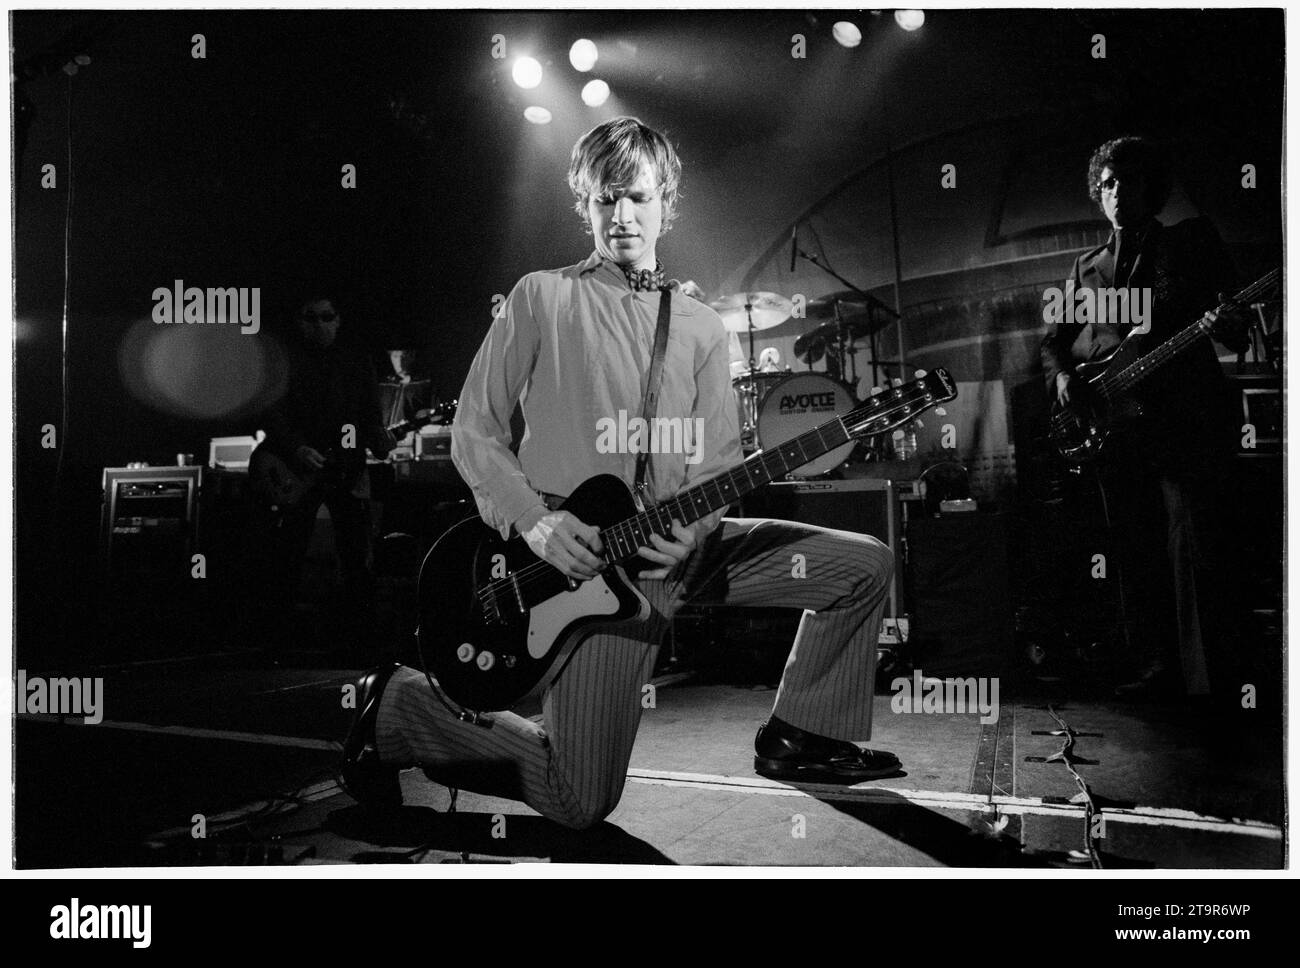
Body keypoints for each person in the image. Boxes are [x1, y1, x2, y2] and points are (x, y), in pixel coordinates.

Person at [340, 117, 897, 829]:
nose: (622, 216)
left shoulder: (700, 325)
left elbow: (720, 456)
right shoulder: (541, 297)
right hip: (584, 568)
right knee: (578, 799)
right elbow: (476, 430)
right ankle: (401, 707)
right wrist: (535, 524)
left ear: (666, 200)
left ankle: (802, 734)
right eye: (605, 200)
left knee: (862, 567)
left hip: (682, 548)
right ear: (586, 205)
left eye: (636, 197)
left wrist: (696, 529)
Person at [1040, 136, 1250, 701]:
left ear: (1150, 188)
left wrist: (1226, 322)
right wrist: (1063, 377)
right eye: (1106, 183)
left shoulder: (1189, 242)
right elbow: (1052, 343)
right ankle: (1156, 667)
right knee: (1135, 547)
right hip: (1118, 424)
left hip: (1187, 416)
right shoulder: (1086, 268)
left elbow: (1235, 327)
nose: (1115, 193)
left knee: (1195, 546)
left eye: (1127, 181)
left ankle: (1211, 682)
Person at [256, 294, 395, 649]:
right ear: (298, 321)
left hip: (345, 472)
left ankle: (359, 642)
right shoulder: (284, 361)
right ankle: (278, 638)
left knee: (355, 557)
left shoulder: (356, 361)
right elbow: (271, 414)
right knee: (289, 554)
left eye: (326, 317)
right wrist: (297, 449)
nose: (318, 324)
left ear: (338, 320)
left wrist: (379, 438)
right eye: (310, 317)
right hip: (298, 468)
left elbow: (370, 417)